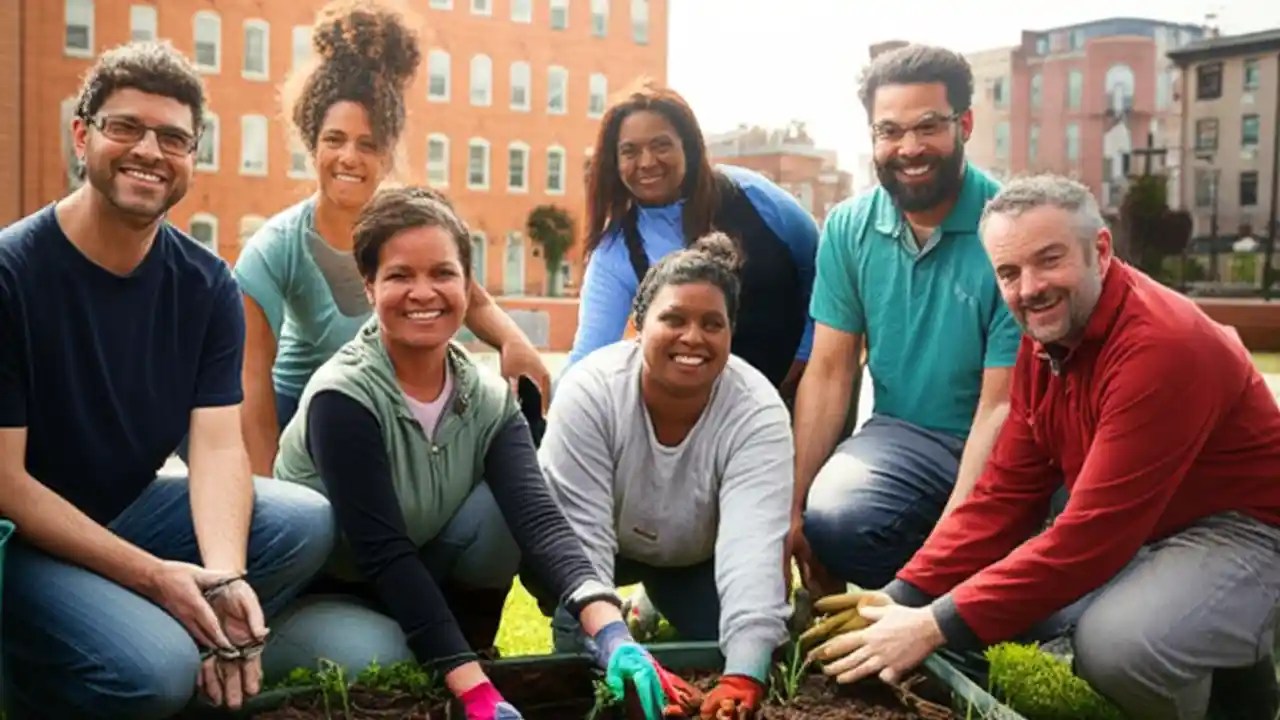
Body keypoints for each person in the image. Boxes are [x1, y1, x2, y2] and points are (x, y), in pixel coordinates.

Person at [809, 175, 1280, 720]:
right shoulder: (1046, 343)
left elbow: (1091, 538)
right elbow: (1004, 494)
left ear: (1099, 251)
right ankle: (1234, 671)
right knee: (1056, 606)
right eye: (1009, 273)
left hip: (1247, 528)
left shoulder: (1158, 348)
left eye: (1048, 260)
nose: (1029, 287)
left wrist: (932, 625)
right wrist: (902, 594)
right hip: (1160, 522)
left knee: (1118, 648)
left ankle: (1225, 679)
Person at [266, 186, 697, 720]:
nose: (424, 292)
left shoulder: (488, 397)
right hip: (324, 593)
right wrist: (474, 693)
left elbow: (539, 521)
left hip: (413, 576)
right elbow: (384, 553)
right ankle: (455, 663)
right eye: (400, 275)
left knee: (502, 509)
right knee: (387, 659)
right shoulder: (344, 397)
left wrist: (611, 630)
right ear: (369, 285)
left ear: (467, 286)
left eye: (443, 274)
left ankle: (465, 648)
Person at [0, 42, 334, 719]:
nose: (149, 150)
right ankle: (33, 670)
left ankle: (180, 636)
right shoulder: (13, 274)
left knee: (303, 521)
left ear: (193, 154)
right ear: (82, 132)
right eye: (125, 127)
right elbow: (6, 484)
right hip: (17, 540)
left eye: (173, 138)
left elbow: (215, 448)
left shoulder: (206, 284)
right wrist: (155, 578)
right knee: (155, 672)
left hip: (122, 509)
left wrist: (223, 578)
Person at [234, 0, 550, 477]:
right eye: (334, 139)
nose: (349, 158)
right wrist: (272, 500)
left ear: (388, 152)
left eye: (368, 144)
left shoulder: (408, 220)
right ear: (311, 142)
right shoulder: (275, 248)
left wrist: (516, 342)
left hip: (383, 413)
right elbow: (251, 387)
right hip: (303, 417)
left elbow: (471, 299)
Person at [790, 44, 1021, 596]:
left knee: (1055, 592)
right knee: (835, 520)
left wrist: (943, 550)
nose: (909, 148)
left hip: (1008, 444)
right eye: (888, 131)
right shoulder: (848, 227)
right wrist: (792, 509)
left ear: (964, 124)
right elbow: (828, 371)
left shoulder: (1011, 226)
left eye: (928, 127)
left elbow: (1002, 406)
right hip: (902, 436)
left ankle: (952, 614)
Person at [538, 233, 795, 719]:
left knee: (738, 641)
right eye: (673, 319)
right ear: (638, 324)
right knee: (579, 655)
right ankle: (622, 617)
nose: (693, 338)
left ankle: (653, 605)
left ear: (731, 333)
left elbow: (752, 546)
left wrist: (744, 673)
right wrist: (613, 646)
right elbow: (579, 541)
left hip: (692, 557)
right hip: (600, 551)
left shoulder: (756, 410)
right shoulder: (591, 392)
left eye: (712, 324)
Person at [566, 82, 819, 401]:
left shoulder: (751, 196)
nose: (646, 162)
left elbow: (824, 268)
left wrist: (806, 355)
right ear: (613, 163)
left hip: (803, 388)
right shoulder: (615, 251)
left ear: (688, 147)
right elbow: (589, 357)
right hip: (707, 413)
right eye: (629, 151)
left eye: (661, 145)